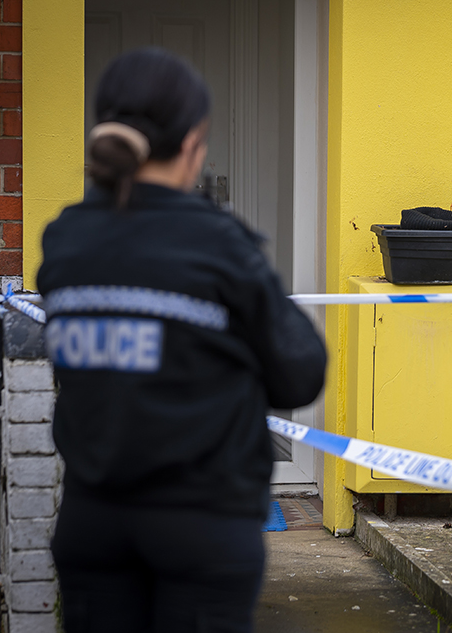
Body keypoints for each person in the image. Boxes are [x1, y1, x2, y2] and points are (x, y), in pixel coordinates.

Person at [37, 47, 327, 633]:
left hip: (93, 524)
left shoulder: (65, 240)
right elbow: (299, 371)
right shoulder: (217, 243)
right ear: (194, 142)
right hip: (202, 528)